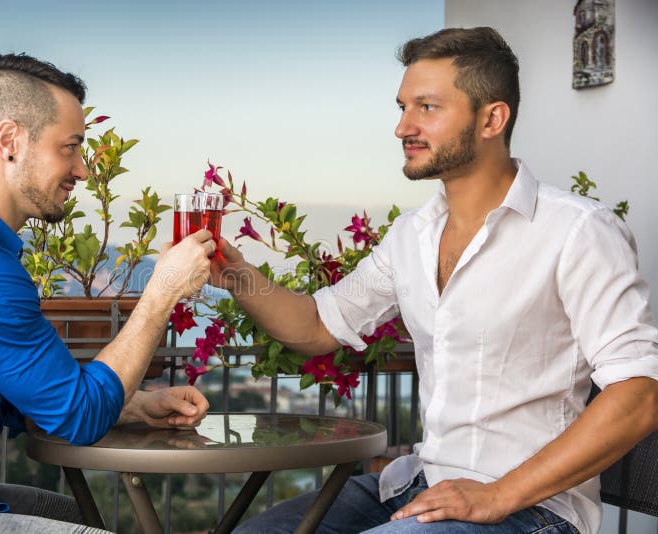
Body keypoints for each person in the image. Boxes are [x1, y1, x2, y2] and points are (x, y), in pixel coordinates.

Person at [211, 27, 658, 534]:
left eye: (426, 108)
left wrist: (498, 495)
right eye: (402, 107)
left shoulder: (579, 232)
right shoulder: (411, 237)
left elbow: (639, 394)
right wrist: (235, 275)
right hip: (421, 484)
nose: (403, 127)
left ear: (492, 118)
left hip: (531, 510)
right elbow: (318, 323)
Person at [0, 53, 215, 533]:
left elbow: (23, 396)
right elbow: (79, 419)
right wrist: (163, 290)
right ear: (10, 141)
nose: (83, 170)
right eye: (70, 147)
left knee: (72, 513)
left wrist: (133, 406)